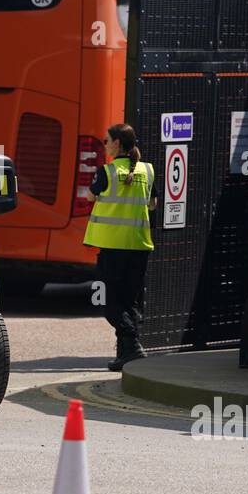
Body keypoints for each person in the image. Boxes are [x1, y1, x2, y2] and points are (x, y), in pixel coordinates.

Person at [84, 123, 159, 371]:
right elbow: (153, 204)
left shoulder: (106, 172)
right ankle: (126, 354)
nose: (105, 146)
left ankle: (132, 342)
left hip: (113, 247)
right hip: (139, 246)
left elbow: (90, 196)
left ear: (117, 143)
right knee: (128, 301)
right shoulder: (148, 171)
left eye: (106, 141)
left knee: (107, 301)